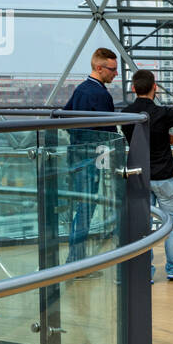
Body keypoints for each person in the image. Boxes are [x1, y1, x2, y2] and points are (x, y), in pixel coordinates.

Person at [121, 70, 173, 282]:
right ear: (154, 87)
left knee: (142, 224)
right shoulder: (162, 113)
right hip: (165, 175)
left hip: (139, 176)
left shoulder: (126, 114)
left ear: (133, 88)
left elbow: (139, 138)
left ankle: (145, 273)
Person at [62, 47, 118, 262]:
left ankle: (76, 258)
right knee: (86, 208)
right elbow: (109, 131)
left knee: (82, 206)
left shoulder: (81, 89)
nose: (115, 74)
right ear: (99, 67)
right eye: (112, 69)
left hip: (77, 156)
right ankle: (75, 261)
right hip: (90, 159)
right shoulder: (99, 94)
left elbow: (64, 118)